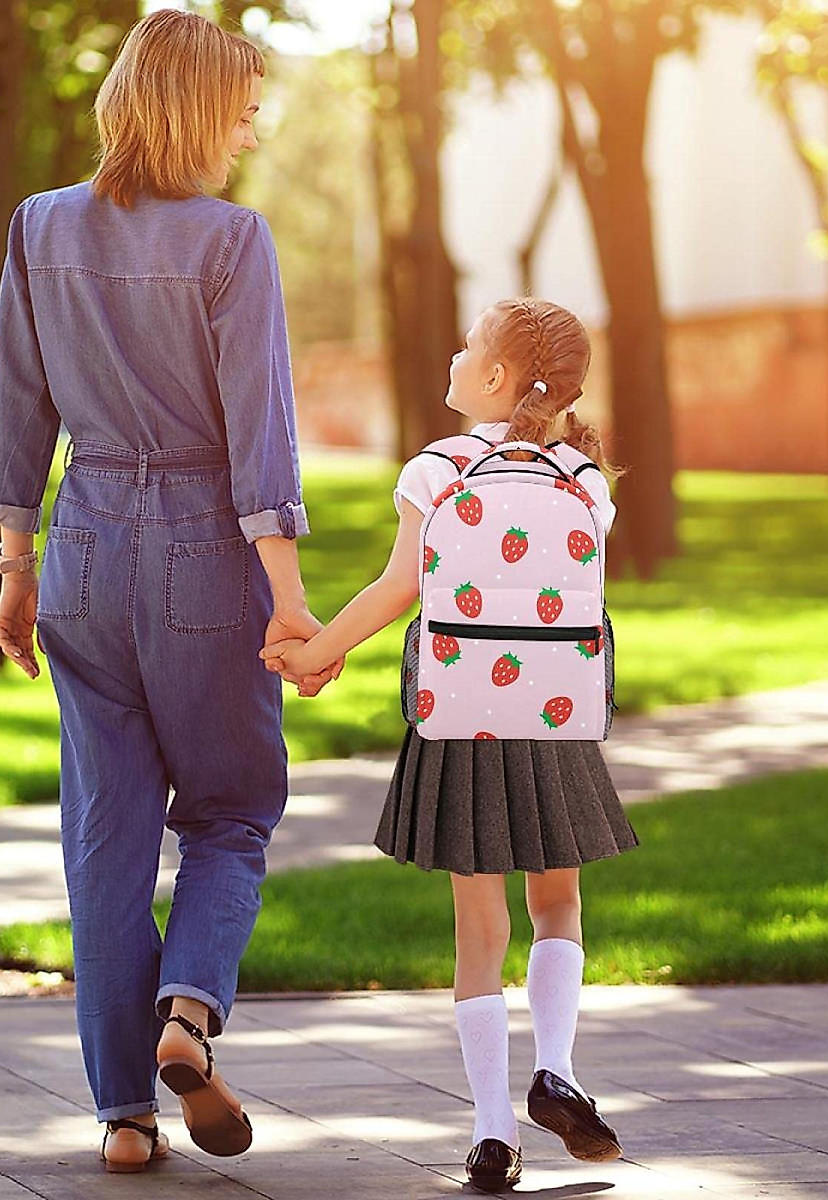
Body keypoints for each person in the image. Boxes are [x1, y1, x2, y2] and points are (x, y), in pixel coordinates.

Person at [0, 10, 341, 1174]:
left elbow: (16, 410)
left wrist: (16, 566)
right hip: (202, 550)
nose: (248, 126)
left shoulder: (39, 227)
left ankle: (123, 1116)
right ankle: (189, 1014)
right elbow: (259, 440)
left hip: (81, 545)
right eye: (239, 106)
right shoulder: (234, 241)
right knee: (233, 809)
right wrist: (289, 599)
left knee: (108, 835)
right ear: (190, 107)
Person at [263, 298, 638, 1192]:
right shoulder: (586, 479)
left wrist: (316, 653)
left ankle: (493, 1132)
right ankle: (559, 1069)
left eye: (469, 345)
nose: (455, 353)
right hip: (554, 718)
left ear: (498, 378)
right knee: (558, 907)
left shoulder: (438, 468)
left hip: (460, 713)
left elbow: (400, 586)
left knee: (480, 932)